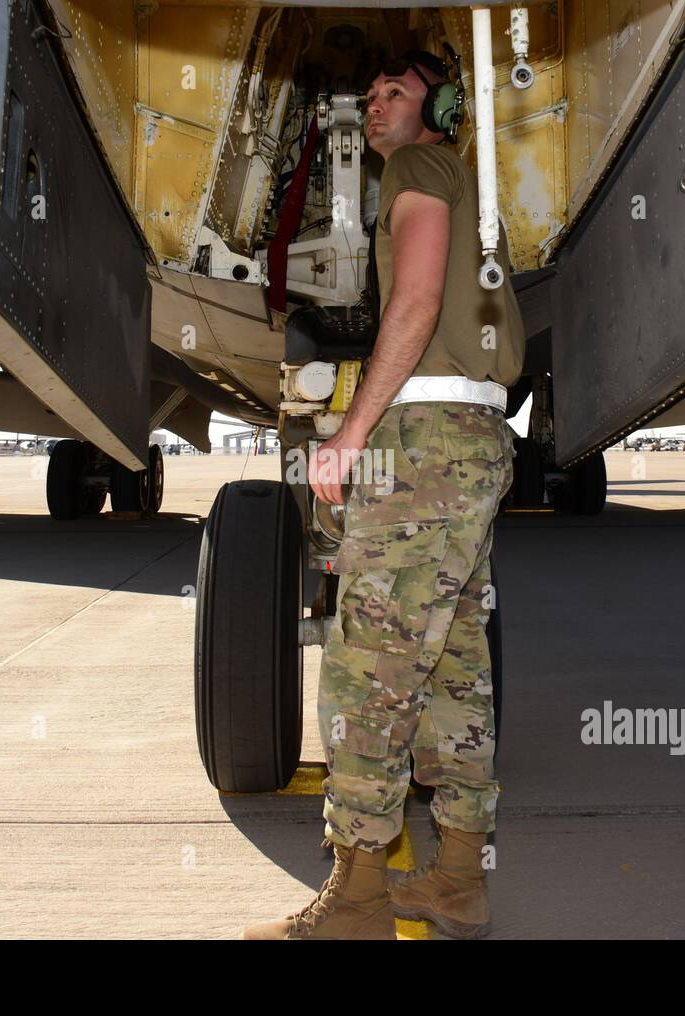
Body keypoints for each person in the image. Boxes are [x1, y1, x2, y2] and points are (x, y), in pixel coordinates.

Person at [242, 50, 526, 940]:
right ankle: (456, 882)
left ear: (439, 105)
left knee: (368, 667)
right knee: (453, 668)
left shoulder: (419, 166)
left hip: (427, 441)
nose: (374, 107)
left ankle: (358, 902)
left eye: (393, 92)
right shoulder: (470, 186)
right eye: (368, 97)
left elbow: (416, 299)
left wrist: (353, 431)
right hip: (475, 437)